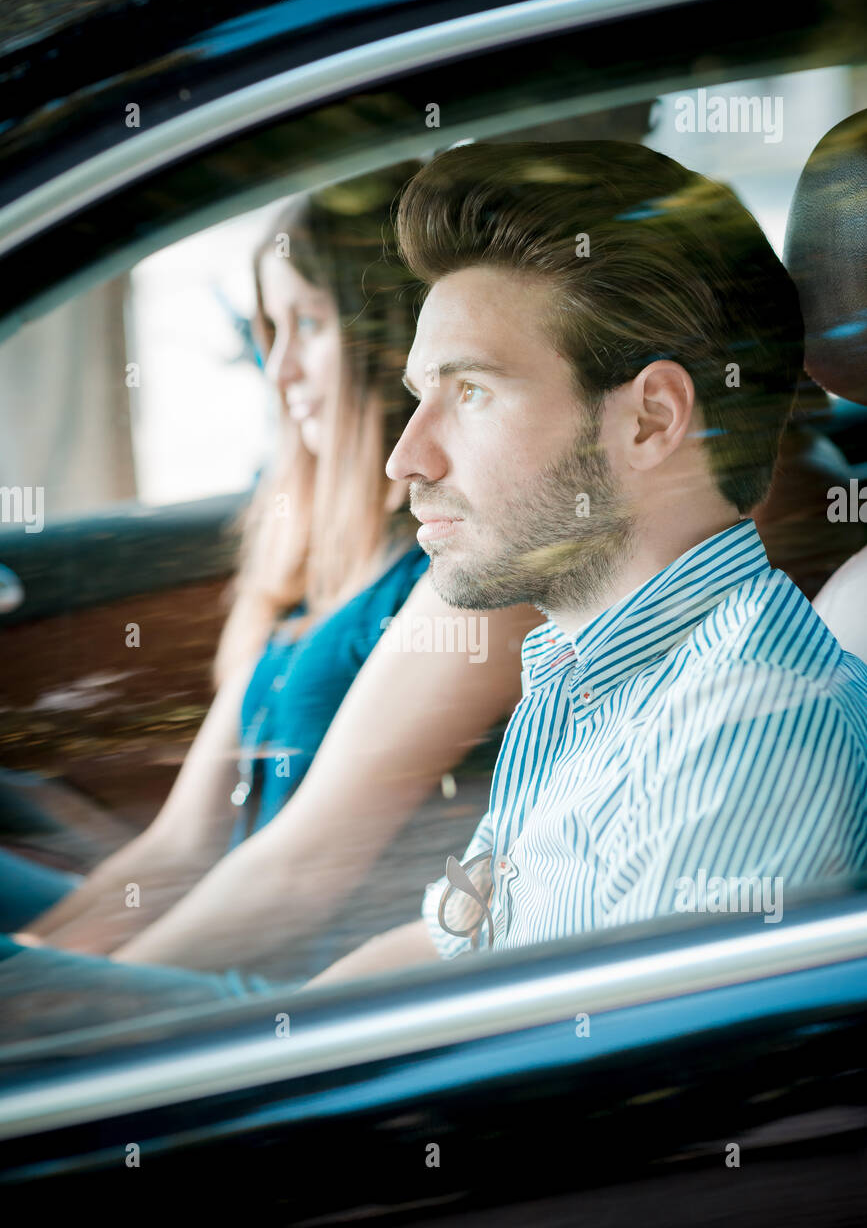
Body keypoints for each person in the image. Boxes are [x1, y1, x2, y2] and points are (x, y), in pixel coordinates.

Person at [303, 139, 867, 987]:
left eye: (472, 394)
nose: (406, 460)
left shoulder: (743, 746)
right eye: (424, 397)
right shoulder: (589, 680)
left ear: (649, 420)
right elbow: (450, 947)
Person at [5, 163, 539, 984]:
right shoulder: (314, 553)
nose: (278, 368)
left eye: (309, 325)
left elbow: (296, 876)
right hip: (216, 926)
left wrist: (68, 1010)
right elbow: (180, 845)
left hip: (276, 1000)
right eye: (268, 330)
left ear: (392, 341)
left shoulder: (463, 584)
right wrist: (41, 968)